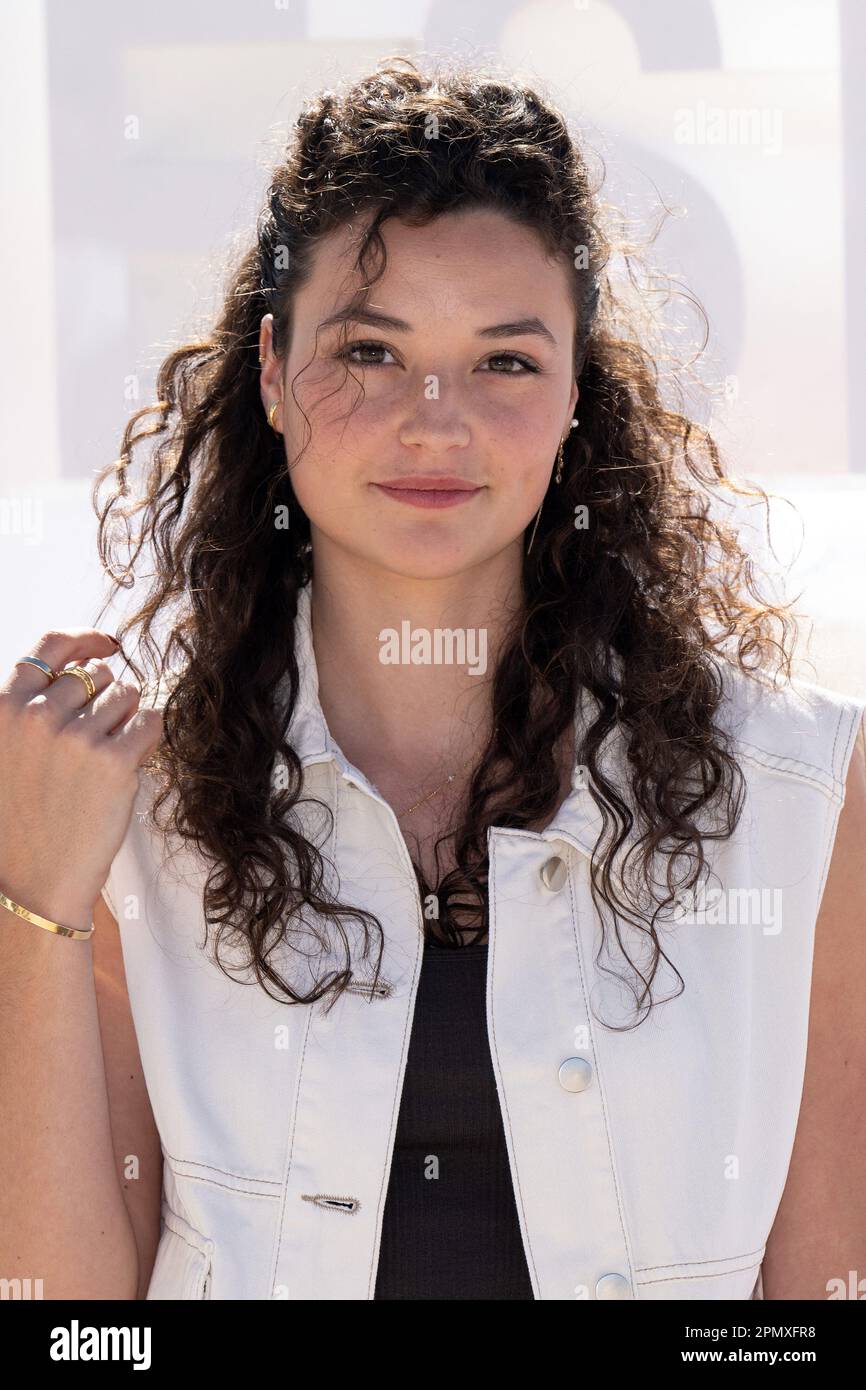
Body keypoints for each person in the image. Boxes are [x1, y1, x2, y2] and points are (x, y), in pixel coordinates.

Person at [1, 55, 864, 1302]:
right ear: (266, 372)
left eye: (504, 361)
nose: (434, 417)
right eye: (367, 350)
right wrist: (34, 907)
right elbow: (75, 1336)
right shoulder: (123, 808)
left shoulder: (799, 797)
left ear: (578, 389)